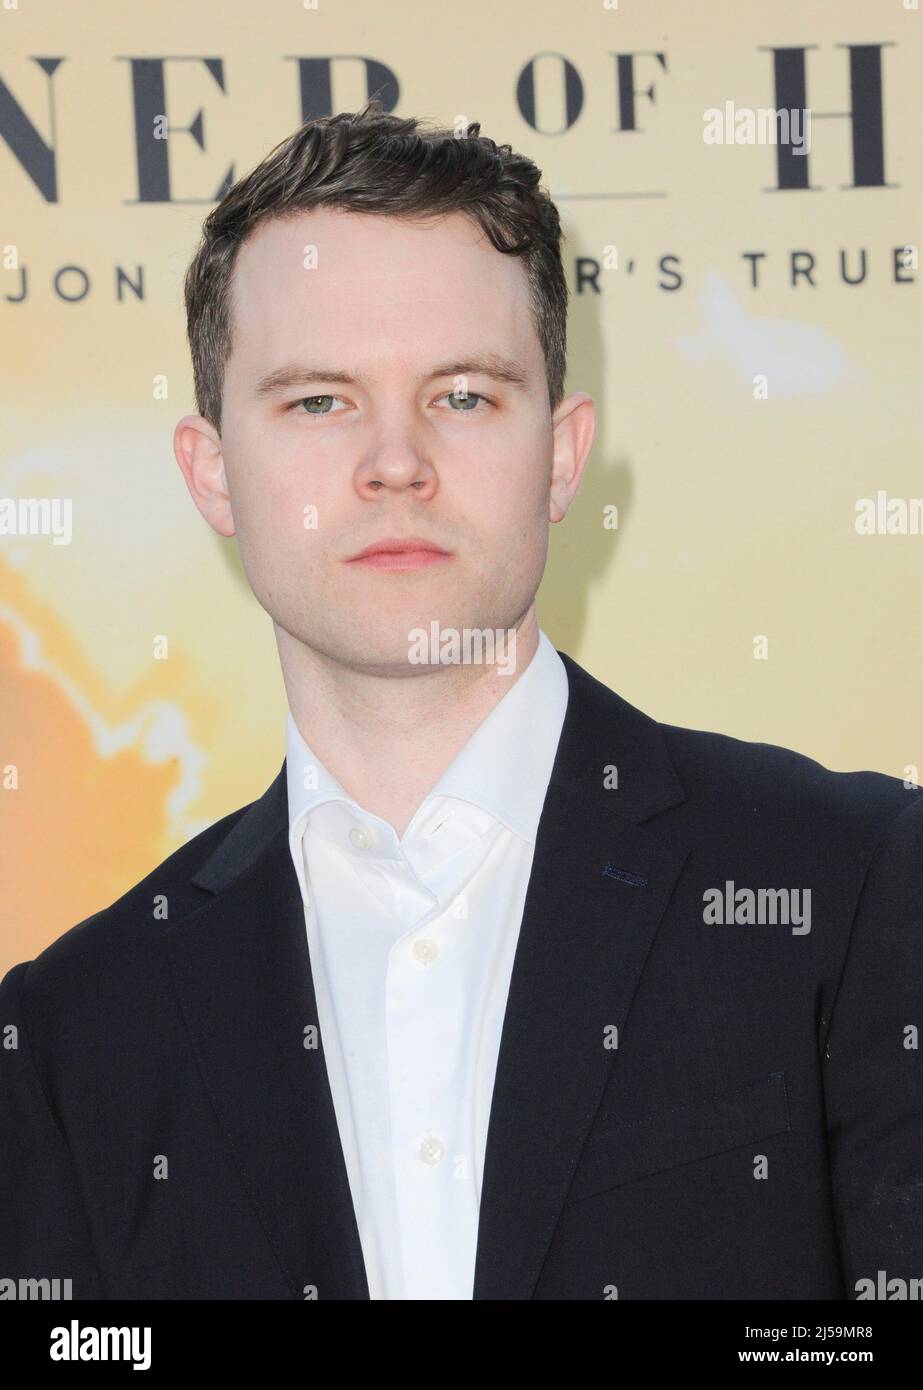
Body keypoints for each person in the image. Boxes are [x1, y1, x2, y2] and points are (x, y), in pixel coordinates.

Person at [1, 99, 921, 1302]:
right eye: (318, 400)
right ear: (212, 471)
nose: (396, 462)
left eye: (464, 395)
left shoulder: (848, 885)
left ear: (560, 452)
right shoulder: (68, 1036)